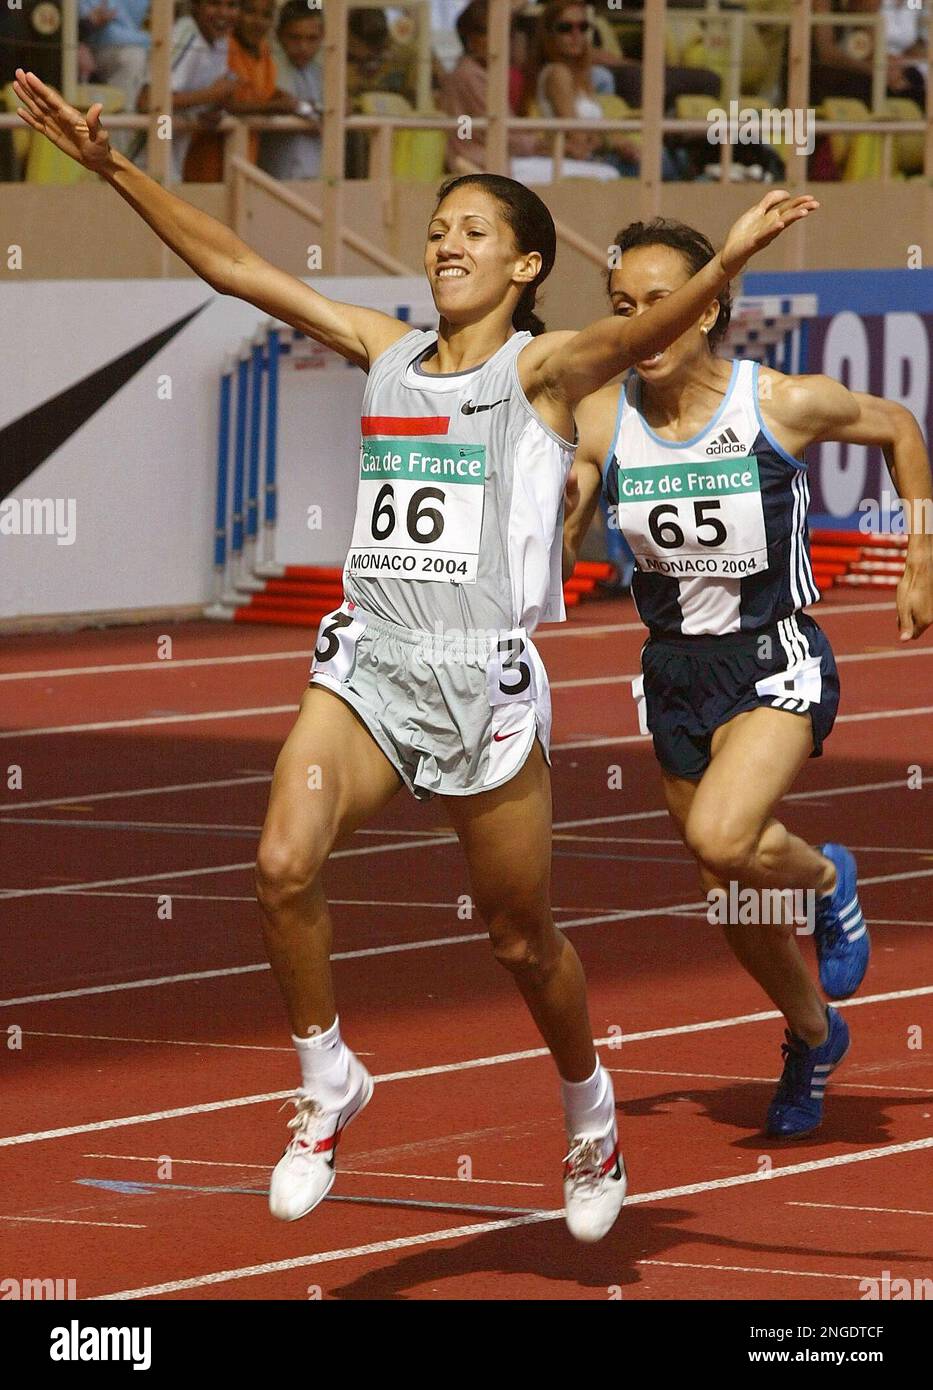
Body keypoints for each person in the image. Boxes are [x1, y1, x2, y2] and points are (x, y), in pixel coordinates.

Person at [13, 63, 816, 1236]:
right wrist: (113, 165)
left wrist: (727, 260)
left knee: (518, 935)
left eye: (474, 232)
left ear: (525, 265)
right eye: (439, 230)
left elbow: (643, 326)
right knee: (283, 861)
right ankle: (326, 1077)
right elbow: (240, 268)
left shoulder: (537, 372)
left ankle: (590, 1114)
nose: (447, 245)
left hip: (481, 681)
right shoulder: (385, 349)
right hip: (369, 661)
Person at [563, 216, 933, 1138]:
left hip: (775, 656)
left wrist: (920, 549)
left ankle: (827, 881)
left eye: (660, 304)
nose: (640, 324)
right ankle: (813, 1035)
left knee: (728, 839)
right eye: (622, 308)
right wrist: (562, 514)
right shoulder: (603, 415)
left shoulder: (775, 403)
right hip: (672, 673)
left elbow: (897, 426)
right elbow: (569, 484)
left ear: (704, 310)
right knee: (726, 888)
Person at [137, 0, 238, 182]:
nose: (223, 13)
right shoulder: (185, 35)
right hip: (142, 163)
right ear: (195, 6)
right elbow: (147, 101)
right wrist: (211, 94)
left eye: (231, 5)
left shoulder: (221, 42)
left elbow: (205, 99)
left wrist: (212, 108)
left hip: (173, 163)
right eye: (214, 4)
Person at [261, 0, 324, 182]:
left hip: (315, 178)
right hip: (276, 178)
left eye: (312, 38)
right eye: (295, 38)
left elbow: (342, 106)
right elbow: (286, 101)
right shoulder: (270, 67)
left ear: (322, 37)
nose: (303, 47)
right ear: (280, 36)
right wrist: (313, 111)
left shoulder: (322, 74)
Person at [78, 0, 151, 153]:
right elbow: (105, 28)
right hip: (89, 50)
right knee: (132, 58)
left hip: (141, 54)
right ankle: (117, 159)